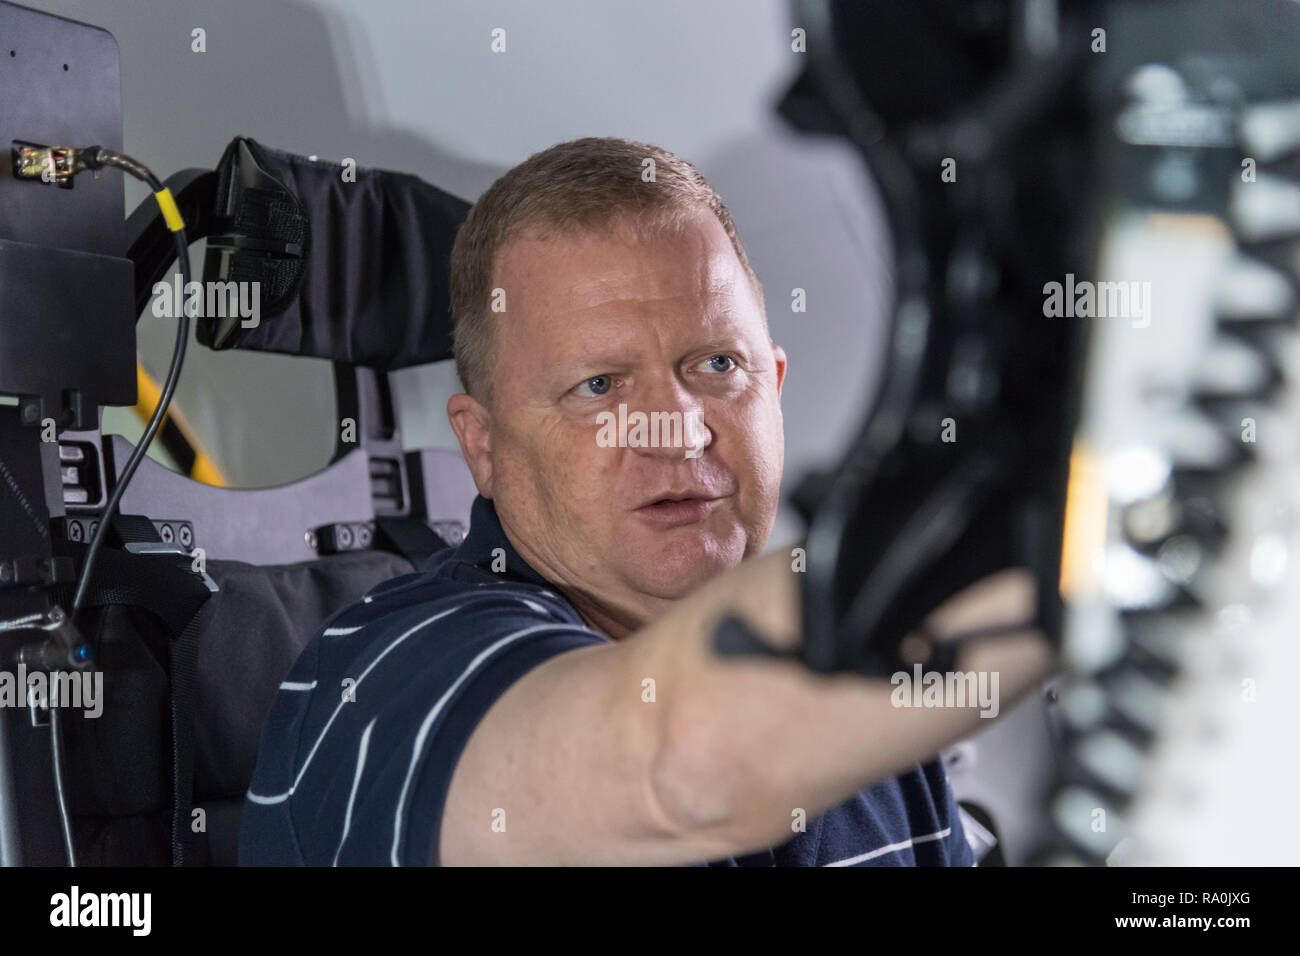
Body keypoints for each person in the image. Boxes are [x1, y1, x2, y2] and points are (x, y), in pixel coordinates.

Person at [239, 136, 1053, 866]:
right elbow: (677, 767)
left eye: (717, 367)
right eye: (599, 385)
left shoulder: (857, 704)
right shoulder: (387, 680)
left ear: (773, 387)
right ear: (482, 446)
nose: (677, 431)